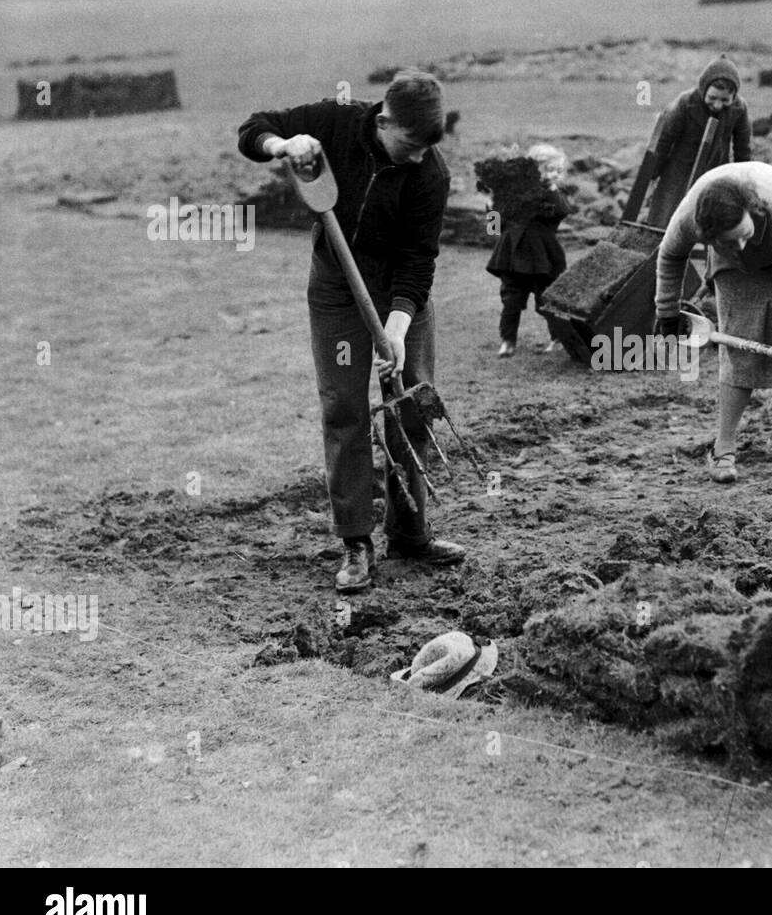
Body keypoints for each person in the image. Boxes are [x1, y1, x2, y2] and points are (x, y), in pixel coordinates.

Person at [237, 69, 466, 591]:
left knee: (410, 410)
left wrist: (399, 326)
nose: (413, 157)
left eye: (423, 148)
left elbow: (419, 259)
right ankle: (356, 542)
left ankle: (410, 534)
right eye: (407, 144)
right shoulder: (334, 125)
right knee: (344, 409)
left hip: (401, 293)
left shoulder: (430, 173)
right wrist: (283, 143)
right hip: (339, 288)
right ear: (384, 121)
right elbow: (253, 128)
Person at [654, 161, 772, 484]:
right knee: (739, 347)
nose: (739, 246)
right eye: (728, 241)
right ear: (707, 235)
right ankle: (723, 449)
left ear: (752, 212)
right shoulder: (690, 219)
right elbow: (670, 257)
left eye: (742, 235)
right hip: (733, 265)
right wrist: (667, 314)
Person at [478, 144, 572, 357]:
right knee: (511, 301)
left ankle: (557, 339)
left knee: (546, 301)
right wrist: (491, 206)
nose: (554, 174)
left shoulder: (553, 195)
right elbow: (495, 229)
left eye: (557, 170)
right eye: (548, 169)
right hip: (513, 258)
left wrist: (552, 189)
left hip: (543, 258)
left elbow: (562, 212)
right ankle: (507, 341)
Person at [646, 55, 752, 227]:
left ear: (734, 96)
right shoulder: (685, 102)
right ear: (704, 90)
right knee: (669, 216)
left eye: (725, 100)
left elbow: (742, 148)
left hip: (715, 169)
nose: (717, 105)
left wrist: (742, 182)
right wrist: (652, 173)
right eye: (712, 98)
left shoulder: (739, 108)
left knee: (708, 218)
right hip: (680, 170)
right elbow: (665, 140)